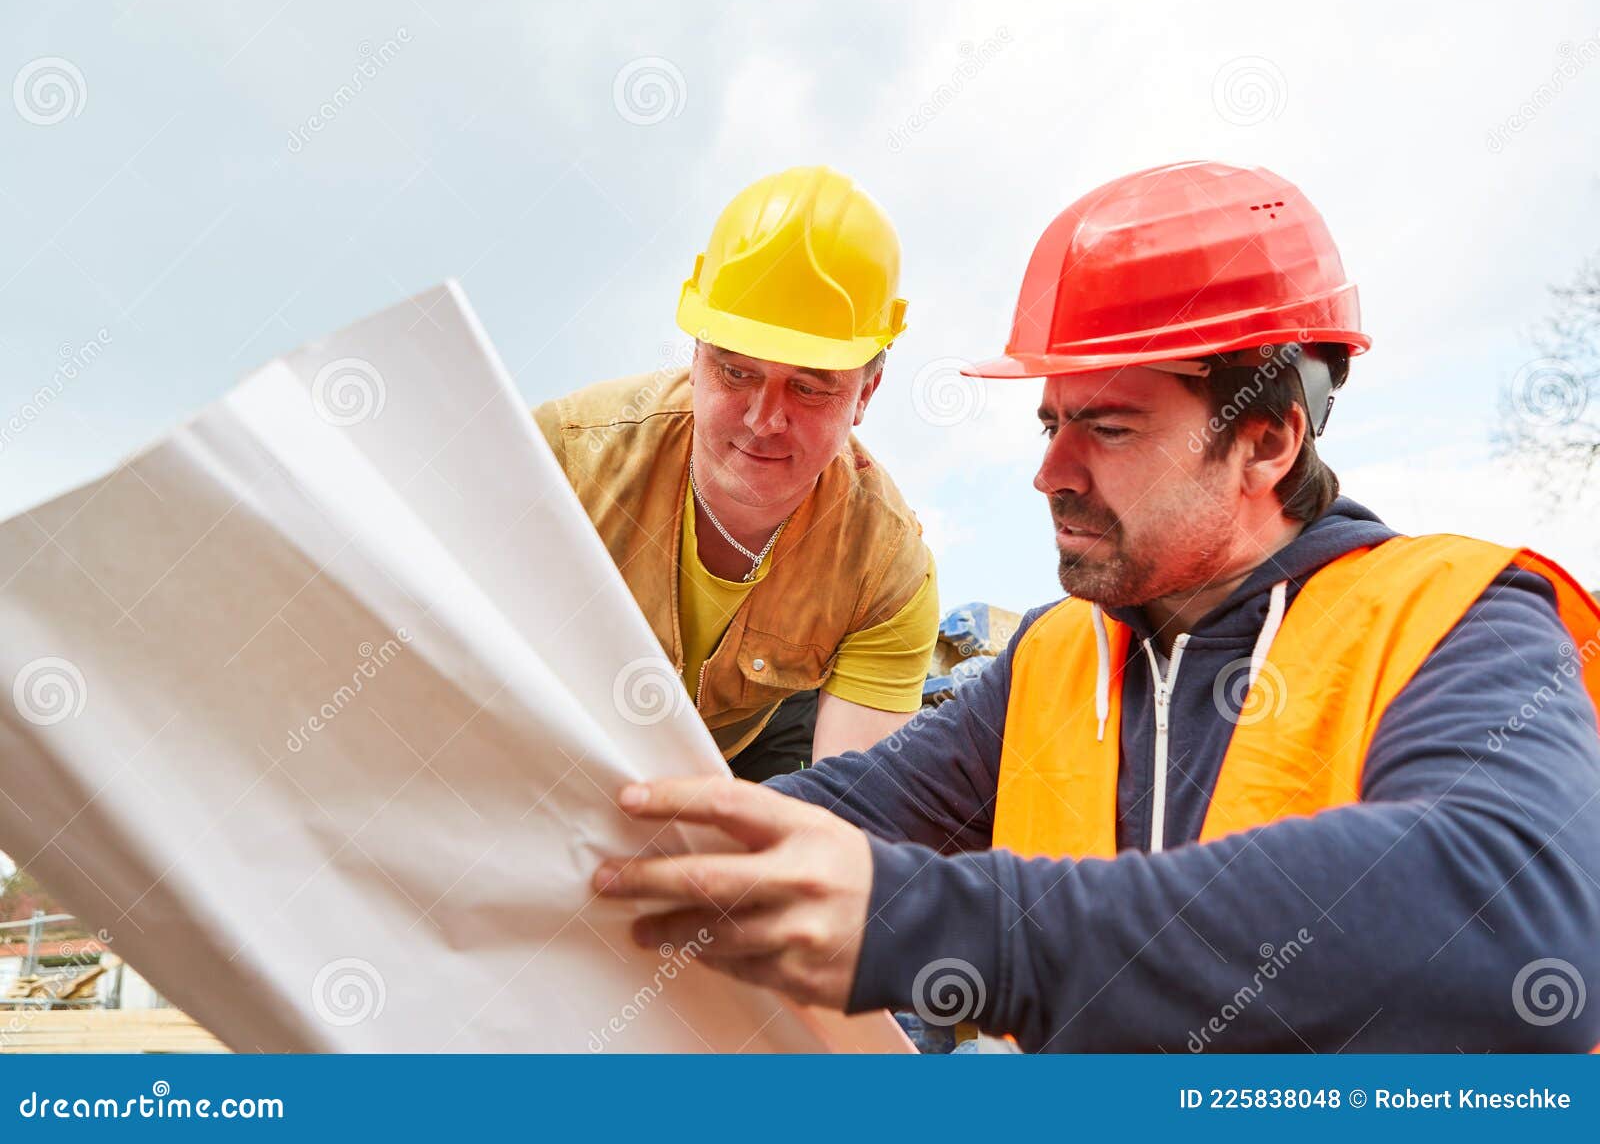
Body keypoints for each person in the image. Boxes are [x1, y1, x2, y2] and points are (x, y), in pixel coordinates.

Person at [590, 161, 1600, 1051]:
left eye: (1108, 428)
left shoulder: (1458, 622)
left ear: (1266, 440)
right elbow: (829, 817)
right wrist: (596, 846)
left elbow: (1515, 918)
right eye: (1051, 424)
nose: (1051, 473)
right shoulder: (1054, 660)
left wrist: (965, 928)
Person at [536, 166, 938, 781]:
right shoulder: (559, 458)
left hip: (747, 746)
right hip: (560, 737)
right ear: (697, 357)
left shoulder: (886, 570)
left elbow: (848, 811)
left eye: (808, 388)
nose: (763, 419)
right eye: (736, 373)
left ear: (865, 392)